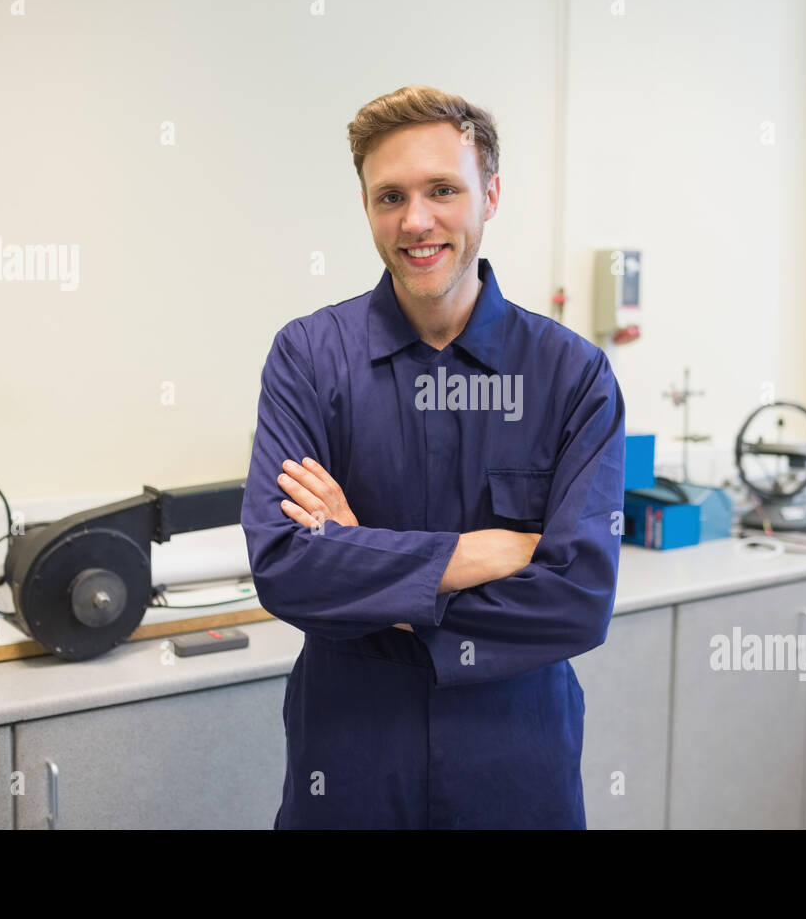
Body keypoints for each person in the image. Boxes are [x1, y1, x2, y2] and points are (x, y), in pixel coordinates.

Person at [241, 84, 626, 829]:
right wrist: (479, 554)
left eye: (443, 189)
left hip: (516, 758)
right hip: (350, 755)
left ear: (490, 194)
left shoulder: (570, 376)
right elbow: (287, 568)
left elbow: (578, 598)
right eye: (390, 197)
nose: (416, 221)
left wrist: (363, 561)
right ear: (365, 206)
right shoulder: (309, 359)